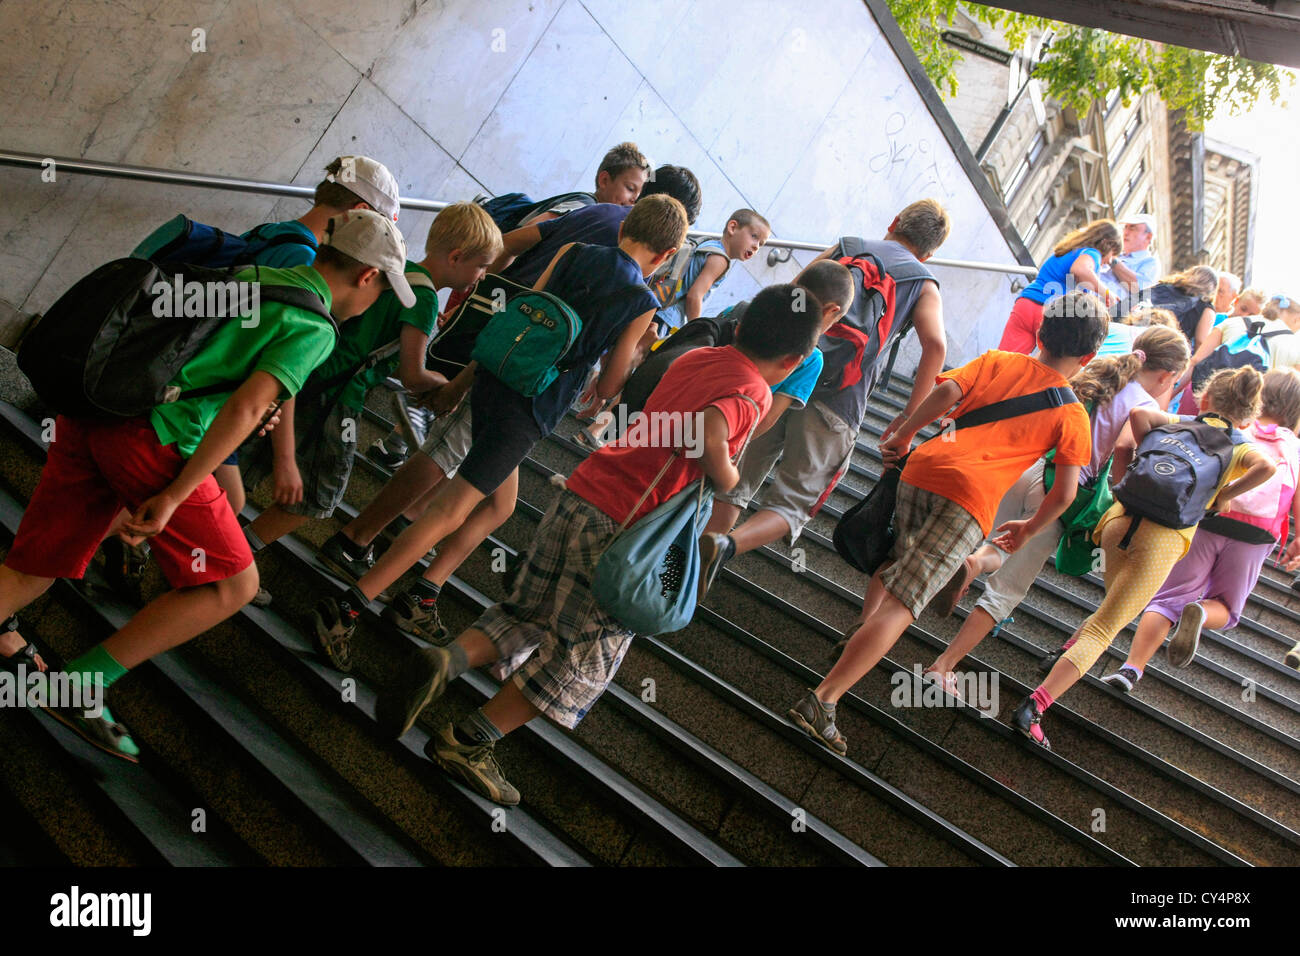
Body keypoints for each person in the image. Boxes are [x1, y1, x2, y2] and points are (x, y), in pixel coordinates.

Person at [372, 284, 822, 804]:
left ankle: (447, 661)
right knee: (581, 655)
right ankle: (469, 742)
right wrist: (726, 476)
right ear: (792, 361)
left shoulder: (697, 357)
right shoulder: (754, 392)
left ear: (739, 327)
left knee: (527, 611)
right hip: (624, 530)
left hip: (582, 492)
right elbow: (707, 429)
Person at [0, 209, 409, 759]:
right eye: (383, 288)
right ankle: (78, 685)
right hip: (159, 441)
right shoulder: (314, 327)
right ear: (367, 277)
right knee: (231, 586)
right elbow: (245, 407)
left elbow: (208, 362)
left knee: (35, 565)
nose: (376, 300)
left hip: (102, 413)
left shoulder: (260, 276)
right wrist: (173, 494)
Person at [310, 194, 689, 668]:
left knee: (500, 503)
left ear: (625, 225)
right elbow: (610, 383)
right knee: (451, 509)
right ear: (667, 254)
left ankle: (423, 594)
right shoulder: (642, 301)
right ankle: (349, 605)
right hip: (530, 408)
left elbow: (515, 320)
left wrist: (462, 383)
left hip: (492, 379)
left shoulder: (573, 254)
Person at [787, 291, 1105, 755]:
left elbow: (948, 391)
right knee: (905, 602)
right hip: (969, 501)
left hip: (923, 470)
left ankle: (858, 639)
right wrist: (1029, 529)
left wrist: (905, 431)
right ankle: (824, 699)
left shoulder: (998, 360)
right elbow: (1065, 493)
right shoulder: (1072, 414)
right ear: (1090, 356)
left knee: (895, 561)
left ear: (1040, 332)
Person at [239, 203, 503, 600]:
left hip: (309, 372)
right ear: (457, 258)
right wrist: (447, 381)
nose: (482, 277)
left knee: (249, 460)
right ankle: (239, 556)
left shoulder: (399, 270)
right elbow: (413, 374)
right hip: (339, 395)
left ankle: (212, 549)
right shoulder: (425, 299)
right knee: (319, 494)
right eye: (481, 267)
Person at [917, 325, 1190, 699]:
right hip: (1064, 489)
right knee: (1005, 589)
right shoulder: (1145, 405)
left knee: (989, 540)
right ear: (1167, 376)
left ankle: (913, 607)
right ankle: (942, 666)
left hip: (1027, 467)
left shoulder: (1099, 371)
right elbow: (1126, 449)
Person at [697, 201, 951, 594]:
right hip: (840, 402)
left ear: (894, 221)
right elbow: (935, 345)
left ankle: (694, 564)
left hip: (785, 373)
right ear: (931, 252)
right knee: (792, 502)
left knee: (738, 478)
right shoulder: (923, 282)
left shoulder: (849, 245)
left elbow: (791, 294)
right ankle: (727, 545)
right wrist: (907, 419)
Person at [1014, 367, 1275, 749]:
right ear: (1249, 416)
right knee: (1106, 628)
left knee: (1110, 609)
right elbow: (1266, 467)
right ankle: (1035, 707)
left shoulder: (1181, 422)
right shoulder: (1238, 443)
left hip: (1119, 519)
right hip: (1162, 539)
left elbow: (1136, 422)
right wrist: (1223, 495)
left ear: (1205, 399)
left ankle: (1067, 650)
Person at [1100, 368, 1300, 687]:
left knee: (1168, 598)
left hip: (1206, 518)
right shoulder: (1293, 445)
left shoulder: (1235, 428)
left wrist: (1219, 496)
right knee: (1227, 608)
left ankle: (1131, 669)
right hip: (1257, 532)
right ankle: (1202, 613)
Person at [490, 165, 703, 288]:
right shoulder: (636, 269)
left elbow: (508, 244)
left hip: (493, 311)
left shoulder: (599, 210)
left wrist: (488, 293)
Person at [999, 220, 1120, 353]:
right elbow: (1080, 270)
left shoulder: (1068, 250)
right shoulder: (1093, 254)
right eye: (1113, 254)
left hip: (1027, 303)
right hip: (1049, 314)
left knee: (1003, 358)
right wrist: (1107, 293)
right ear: (1107, 244)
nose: (1109, 261)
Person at [650, 209, 770, 337]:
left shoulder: (708, 244)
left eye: (761, 244)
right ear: (733, 227)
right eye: (754, 236)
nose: (756, 246)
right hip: (667, 317)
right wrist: (694, 330)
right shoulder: (720, 259)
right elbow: (695, 296)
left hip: (658, 305)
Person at [1177, 291, 1300, 415]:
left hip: (1203, 400)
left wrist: (1167, 396)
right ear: (1297, 319)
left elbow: (1195, 361)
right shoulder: (1295, 345)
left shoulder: (1233, 323)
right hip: (1243, 416)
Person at [1097, 214, 1161, 313]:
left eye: (1132, 228)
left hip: (1102, 309)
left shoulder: (1150, 262)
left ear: (1148, 237)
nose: (1125, 232)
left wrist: (1112, 260)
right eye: (1125, 227)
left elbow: (1138, 288)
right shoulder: (1117, 254)